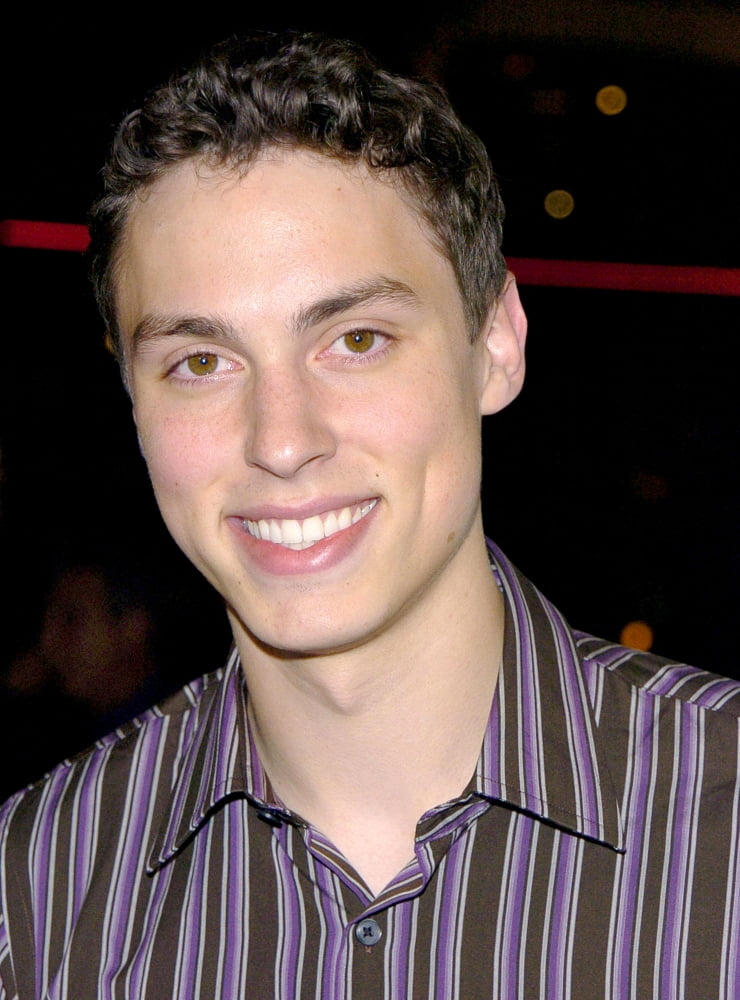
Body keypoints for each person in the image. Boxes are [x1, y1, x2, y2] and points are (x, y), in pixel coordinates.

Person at [0, 31, 738, 1000]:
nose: (280, 436)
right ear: (134, 405)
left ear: (495, 345)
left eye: (355, 338)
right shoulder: (38, 893)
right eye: (200, 361)